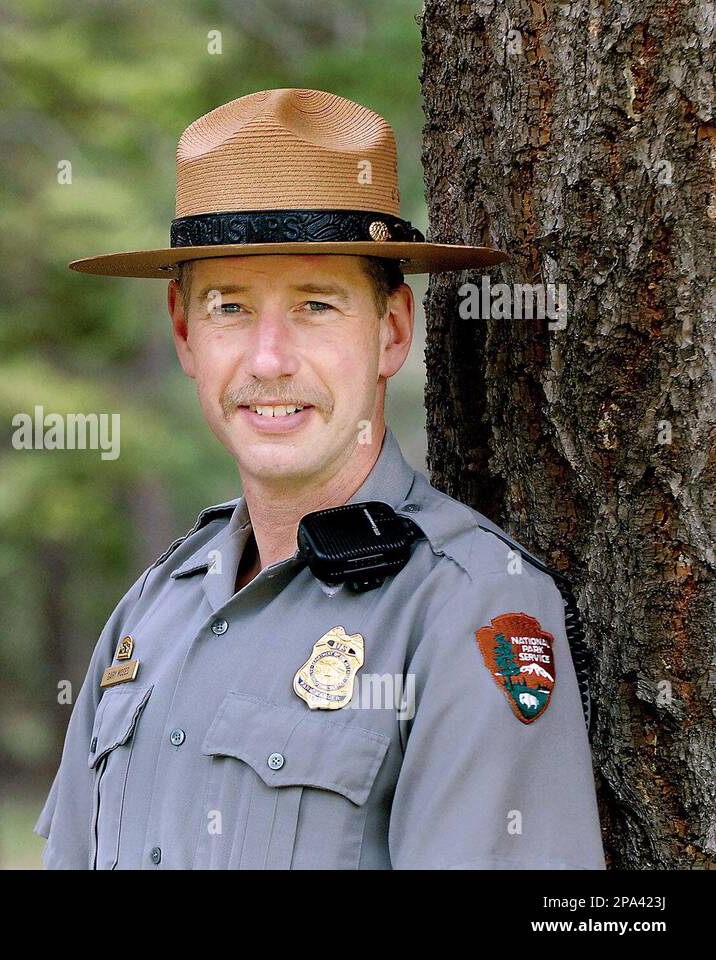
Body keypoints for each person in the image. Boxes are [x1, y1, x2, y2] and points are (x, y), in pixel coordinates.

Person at [35, 88, 605, 869]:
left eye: (314, 305)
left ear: (392, 331)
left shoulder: (465, 607)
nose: (269, 360)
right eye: (230, 307)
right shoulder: (152, 613)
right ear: (184, 331)